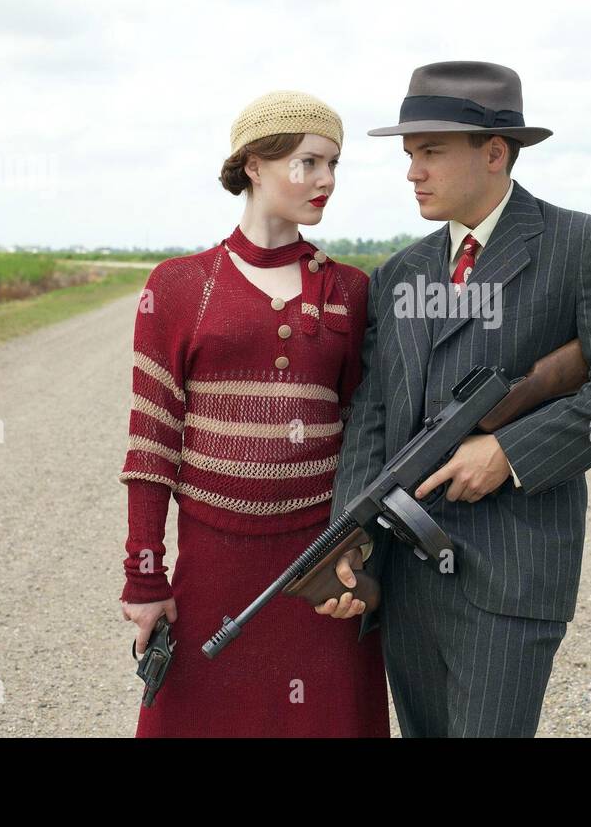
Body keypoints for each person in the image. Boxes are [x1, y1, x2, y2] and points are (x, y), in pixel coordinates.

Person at [313, 61, 591, 737]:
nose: (413, 171)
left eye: (432, 152)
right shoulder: (399, 275)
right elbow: (374, 416)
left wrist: (508, 451)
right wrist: (348, 538)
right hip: (410, 581)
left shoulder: (582, 245)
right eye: (410, 154)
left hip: (510, 573)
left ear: (495, 152)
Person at [118, 90, 388, 737]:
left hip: (321, 566)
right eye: (308, 162)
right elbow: (151, 447)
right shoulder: (180, 287)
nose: (325, 180)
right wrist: (145, 577)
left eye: (334, 164)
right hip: (213, 568)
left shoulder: (350, 290)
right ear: (254, 166)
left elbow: (366, 442)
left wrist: (361, 556)